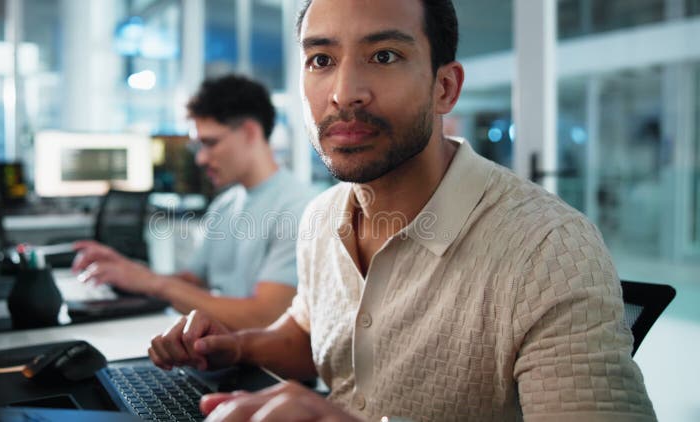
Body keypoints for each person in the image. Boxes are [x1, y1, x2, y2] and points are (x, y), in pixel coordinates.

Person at [148, 0, 658, 421]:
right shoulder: (322, 217)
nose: (344, 93)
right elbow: (312, 334)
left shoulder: (549, 249)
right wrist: (236, 348)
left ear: (445, 88)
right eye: (321, 60)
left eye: (385, 55)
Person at [72, 75, 316, 330]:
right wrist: (128, 271)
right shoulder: (225, 204)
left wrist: (154, 283)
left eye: (210, 143)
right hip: (221, 350)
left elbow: (264, 317)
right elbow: (193, 282)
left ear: (249, 132)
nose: (200, 159)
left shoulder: (300, 209)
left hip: (267, 366)